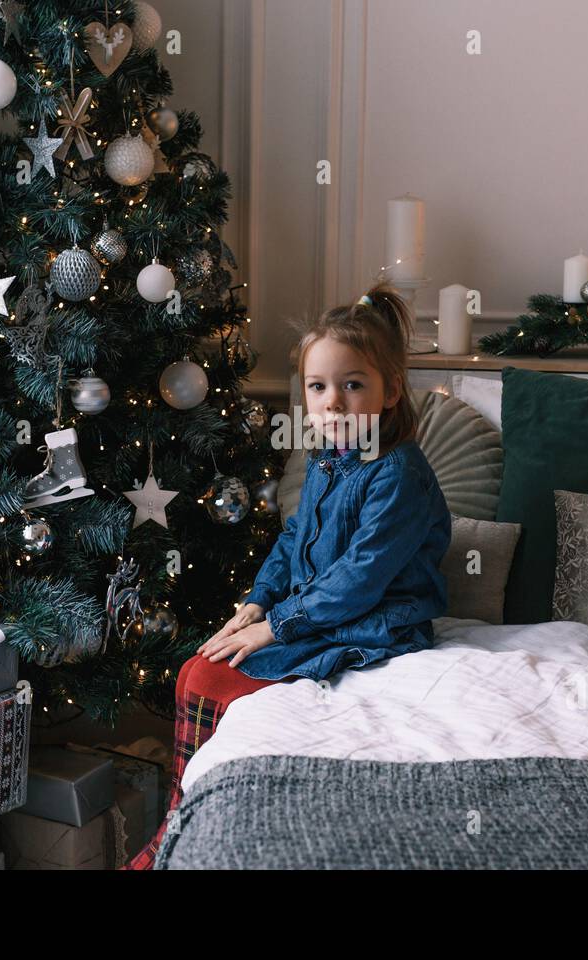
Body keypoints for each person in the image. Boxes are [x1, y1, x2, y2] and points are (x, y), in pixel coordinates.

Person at [123, 283, 452, 869]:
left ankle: (179, 828)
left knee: (208, 680)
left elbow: (360, 577)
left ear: (391, 389)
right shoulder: (328, 461)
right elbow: (293, 538)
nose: (333, 403)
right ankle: (180, 817)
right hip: (315, 609)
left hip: (375, 621)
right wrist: (257, 603)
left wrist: (277, 626)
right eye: (319, 387)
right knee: (198, 667)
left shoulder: (397, 473)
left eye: (353, 385)